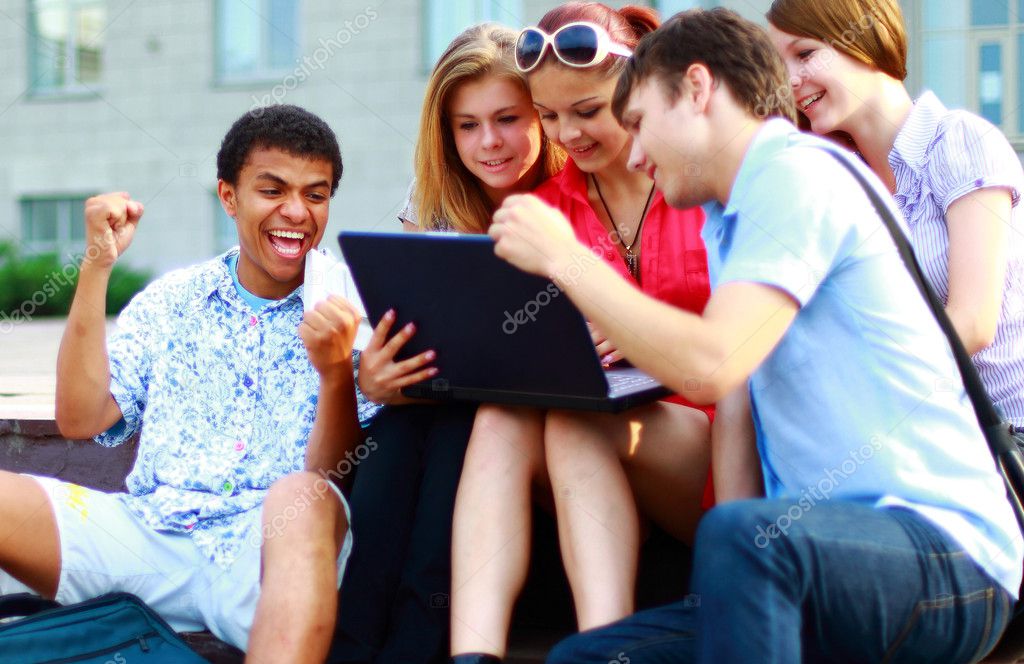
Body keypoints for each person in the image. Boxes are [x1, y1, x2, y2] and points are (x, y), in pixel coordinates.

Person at [486, 8, 1023, 663]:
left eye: (639, 123)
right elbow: (736, 404)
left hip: (943, 557)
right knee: (587, 658)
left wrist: (567, 260)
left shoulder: (794, 172)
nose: (633, 153)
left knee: (748, 537)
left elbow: (714, 366)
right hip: (811, 560)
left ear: (697, 88)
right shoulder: (724, 216)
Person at [0, 105, 376, 662]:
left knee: (303, 494)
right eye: (272, 190)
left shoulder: (351, 311)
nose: (295, 212)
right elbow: (79, 418)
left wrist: (335, 368)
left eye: (315, 195)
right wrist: (97, 266)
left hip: (266, 557)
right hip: (148, 537)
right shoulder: (172, 299)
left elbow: (330, 474)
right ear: (228, 197)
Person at [449, 5, 717, 662]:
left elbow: (743, 342)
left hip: (712, 445)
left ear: (642, 88)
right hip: (595, 454)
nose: (566, 133)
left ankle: (602, 647)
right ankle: (473, 652)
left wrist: (636, 331)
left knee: (580, 420)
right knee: (505, 415)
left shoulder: (707, 184)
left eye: (588, 110)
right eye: (547, 115)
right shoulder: (539, 212)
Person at [329, 24, 565, 664]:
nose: (488, 143)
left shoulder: (572, 196)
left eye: (508, 118)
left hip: (538, 432)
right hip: (436, 412)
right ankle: (352, 646)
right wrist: (376, 376)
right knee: (397, 433)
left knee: (463, 424)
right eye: (466, 125)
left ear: (541, 114)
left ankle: (415, 644)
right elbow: (399, 330)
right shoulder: (433, 199)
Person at [767, 0, 1024, 430]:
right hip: (918, 435)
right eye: (780, 66)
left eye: (805, 54)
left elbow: (973, 324)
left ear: (865, 37)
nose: (791, 81)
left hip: (1005, 437)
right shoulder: (838, 182)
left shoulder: (958, 141)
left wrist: (847, 387)